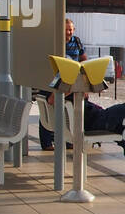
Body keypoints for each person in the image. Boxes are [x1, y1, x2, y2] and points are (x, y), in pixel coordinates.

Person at [38, 18, 88, 150]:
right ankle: (46, 142)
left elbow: (84, 60)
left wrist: (84, 85)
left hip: (72, 82)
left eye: (70, 29)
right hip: (54, 81)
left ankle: (69, 139)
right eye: (66, 29)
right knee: (48, 109)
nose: (68, 32)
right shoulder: (55, 42)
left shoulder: (77, 42)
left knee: (70, 111)